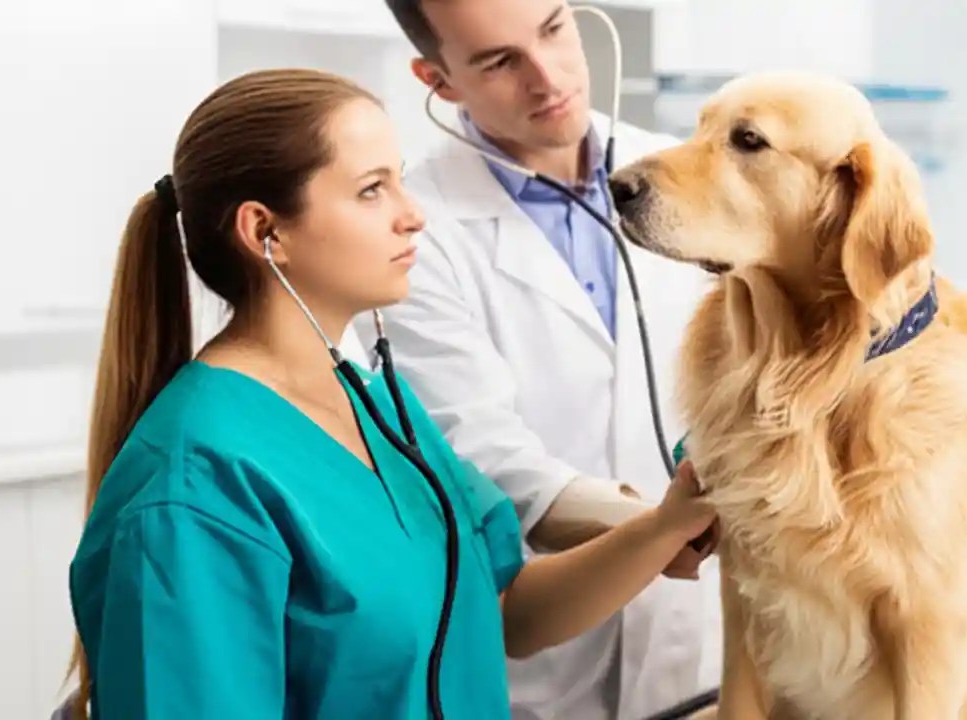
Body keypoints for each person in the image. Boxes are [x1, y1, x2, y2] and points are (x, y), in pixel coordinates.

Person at [63, 67, 716, 720]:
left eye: (400, 180)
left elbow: (504, 611)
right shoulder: (195, 488)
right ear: (266, 230)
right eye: (373, 190)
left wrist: (667, 525)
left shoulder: (381, 408)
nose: (413, 216)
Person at [379, 1, 721, 717]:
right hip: (553, 668)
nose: (548, 76)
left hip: (711, 648)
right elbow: (493, 464)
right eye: (500, 61)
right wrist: (662, 526)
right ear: (438, 81)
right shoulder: (417, 235)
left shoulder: (696, 174)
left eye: (554, 29)